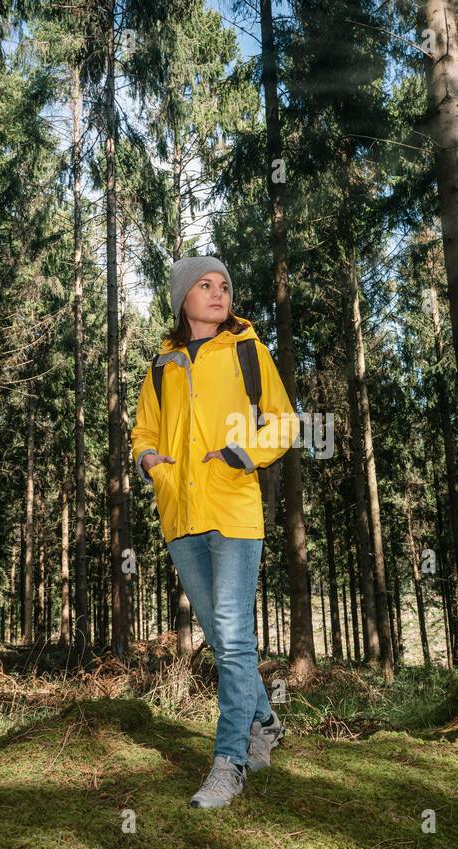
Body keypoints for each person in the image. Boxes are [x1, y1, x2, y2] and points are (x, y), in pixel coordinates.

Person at [130, 255, 298, 809]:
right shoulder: (162, 365)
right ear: (183, 298)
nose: (218, 292)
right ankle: (266, 721)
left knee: (231, 634)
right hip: (180, 515)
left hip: (233, 511)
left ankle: (229, 764)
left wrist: (241, 454)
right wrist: (151, 461)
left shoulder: (248, 350)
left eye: (224, 284)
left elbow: (285, 422)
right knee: (224, 638)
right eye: (205, 285)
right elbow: (143, 431)